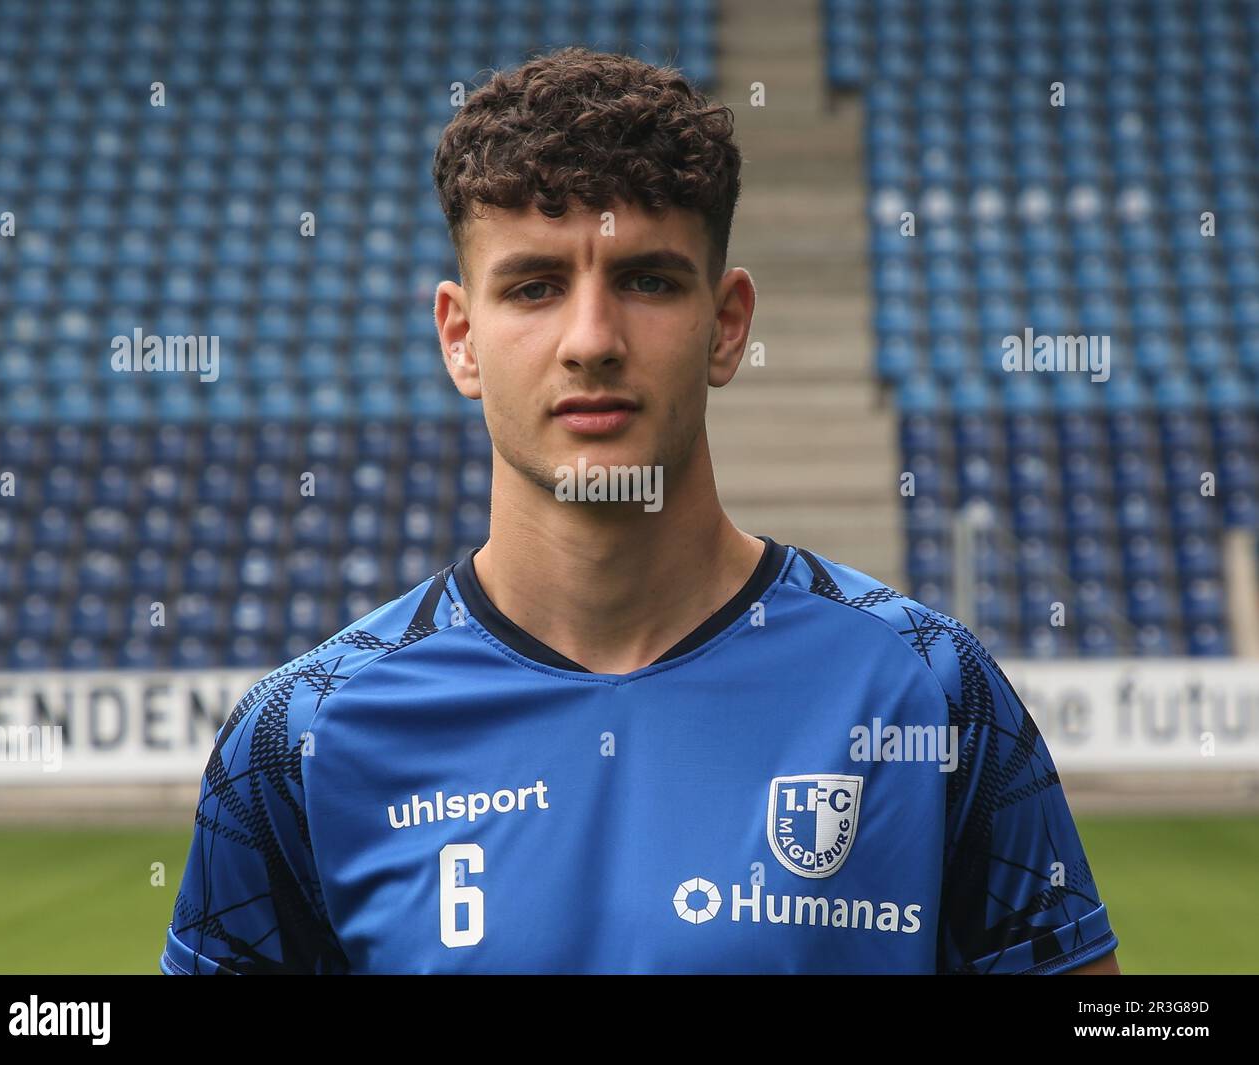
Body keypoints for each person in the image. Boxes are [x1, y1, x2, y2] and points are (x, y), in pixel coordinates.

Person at [160, 46, 1119, 975]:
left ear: (727, 324)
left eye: (647, 280)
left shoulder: (930, 693)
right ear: (460, 337)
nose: (592, 339)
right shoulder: (303, 737)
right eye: (534, 287)